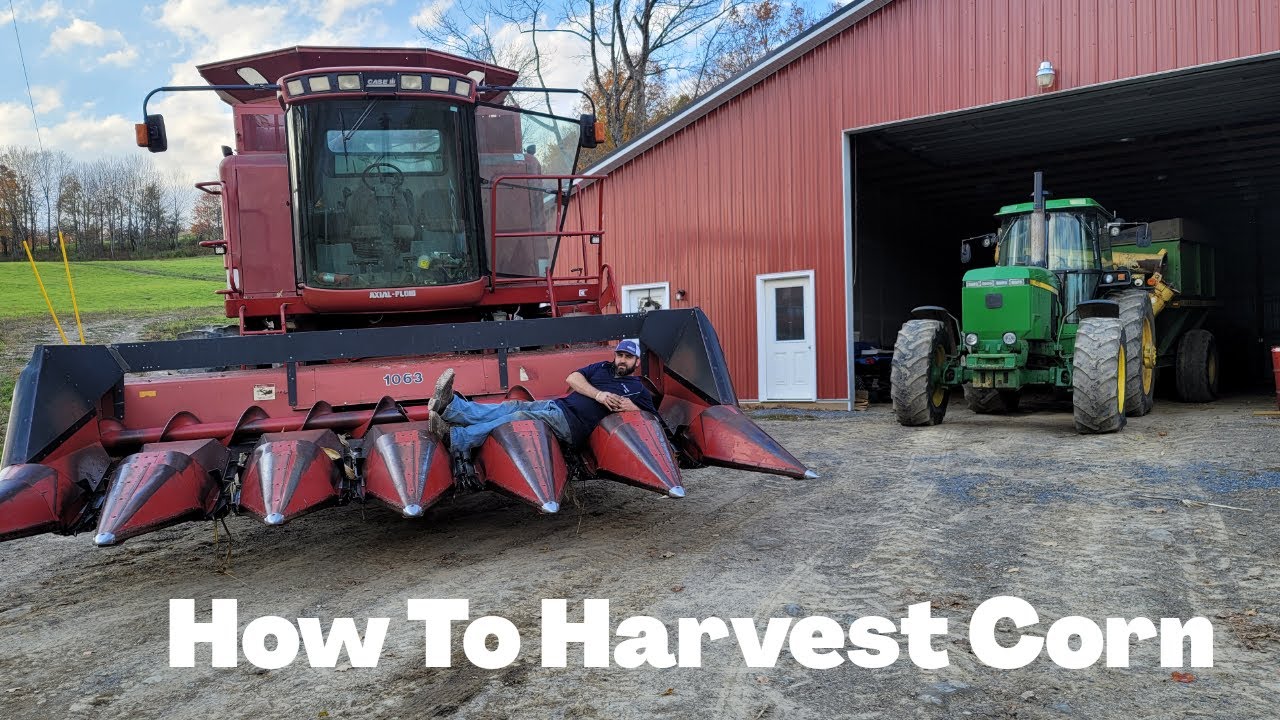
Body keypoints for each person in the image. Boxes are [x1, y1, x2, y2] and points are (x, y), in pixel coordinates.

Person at [428, 340, 658, 457]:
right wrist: (599, 394)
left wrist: (634, 409)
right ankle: (451, 408)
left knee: (520, 416)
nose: (622, 360)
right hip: (558, 406)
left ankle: (456, 439)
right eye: (620, 355)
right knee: (512, 406)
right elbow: (572, 378)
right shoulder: (602, 368)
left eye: (628, 357)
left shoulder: (638, 389)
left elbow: (656, 423)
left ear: (637, 362)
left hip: (571, 425)